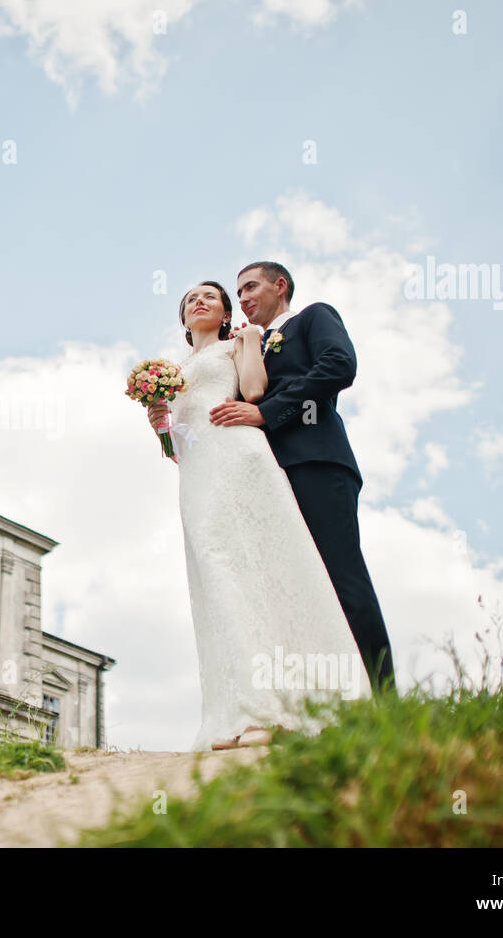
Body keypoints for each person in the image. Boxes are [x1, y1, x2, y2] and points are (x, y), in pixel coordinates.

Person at [149, 280, 371, 752]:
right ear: (183, 320)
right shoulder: (171, 370)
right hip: (197, 470)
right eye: (189, 300)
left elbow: (253, 391)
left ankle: (271, 711)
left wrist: (249, 342)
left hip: (238, 455)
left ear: (227, 312)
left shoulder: (240, 342)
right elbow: (175, 448)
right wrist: (161, 424)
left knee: (256, 570)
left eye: (210, 296)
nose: (199, 302)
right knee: (217, 574)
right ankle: (238, 707)